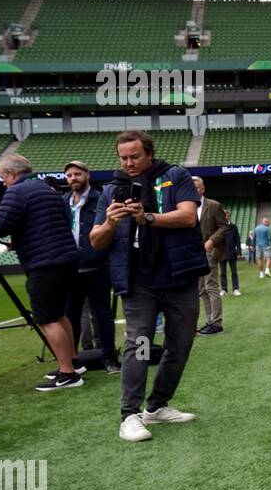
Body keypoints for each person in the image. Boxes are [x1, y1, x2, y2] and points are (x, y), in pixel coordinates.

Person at [88, 129, 208, 441]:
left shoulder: (175, 175)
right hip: (137, 279)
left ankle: (156, 407)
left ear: (149, 154)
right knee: (138, 344)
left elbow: (188, 218)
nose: (128, 162)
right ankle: (129, 414)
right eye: (123, 157)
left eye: (135, 156)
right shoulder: (111, 190)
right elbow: (96, 241)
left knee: (180, 345)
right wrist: (112, 222)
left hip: (178, 275)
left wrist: (148, 218)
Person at [0, 154, 84, 391]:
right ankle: (73, 363)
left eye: (3, 176)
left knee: (46, 317)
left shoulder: (17, 191)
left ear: (12, 174)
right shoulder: (46, 189)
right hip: (65, 258)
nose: (3, 182)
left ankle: (68, 374)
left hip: (45, 262)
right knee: (59, 313)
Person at [62, 160, 119, 375]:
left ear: (87, 175)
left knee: (103, 315)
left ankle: (109, 358)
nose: (73, 178)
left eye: (77, 174)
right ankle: (72, 361)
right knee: (71, 317)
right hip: (71, 269)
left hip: (97, 266)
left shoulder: (101, 198)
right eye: (69, 175)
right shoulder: (63, 201)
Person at [192, 177, 230, 336]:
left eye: (196, 187)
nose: (193, 189)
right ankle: (209, 321)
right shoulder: (185, 207)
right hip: (194, 253)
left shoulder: (213, 205)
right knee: (201, 289)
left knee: (210, 286)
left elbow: (224, 227)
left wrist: (212, 241)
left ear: (202, 189)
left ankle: (216, 322)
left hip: (209, 252)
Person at [221, 217, 242, 296]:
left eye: (226, 215)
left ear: (228, 216)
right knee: (223, 273)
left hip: (232, 253)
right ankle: (224, 289)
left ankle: (235, 289)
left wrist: (239, 252)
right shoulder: (219, 227)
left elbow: (238, 240)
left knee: (234, 272)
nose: (225, 217)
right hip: (221, 253)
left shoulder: (234, 227)